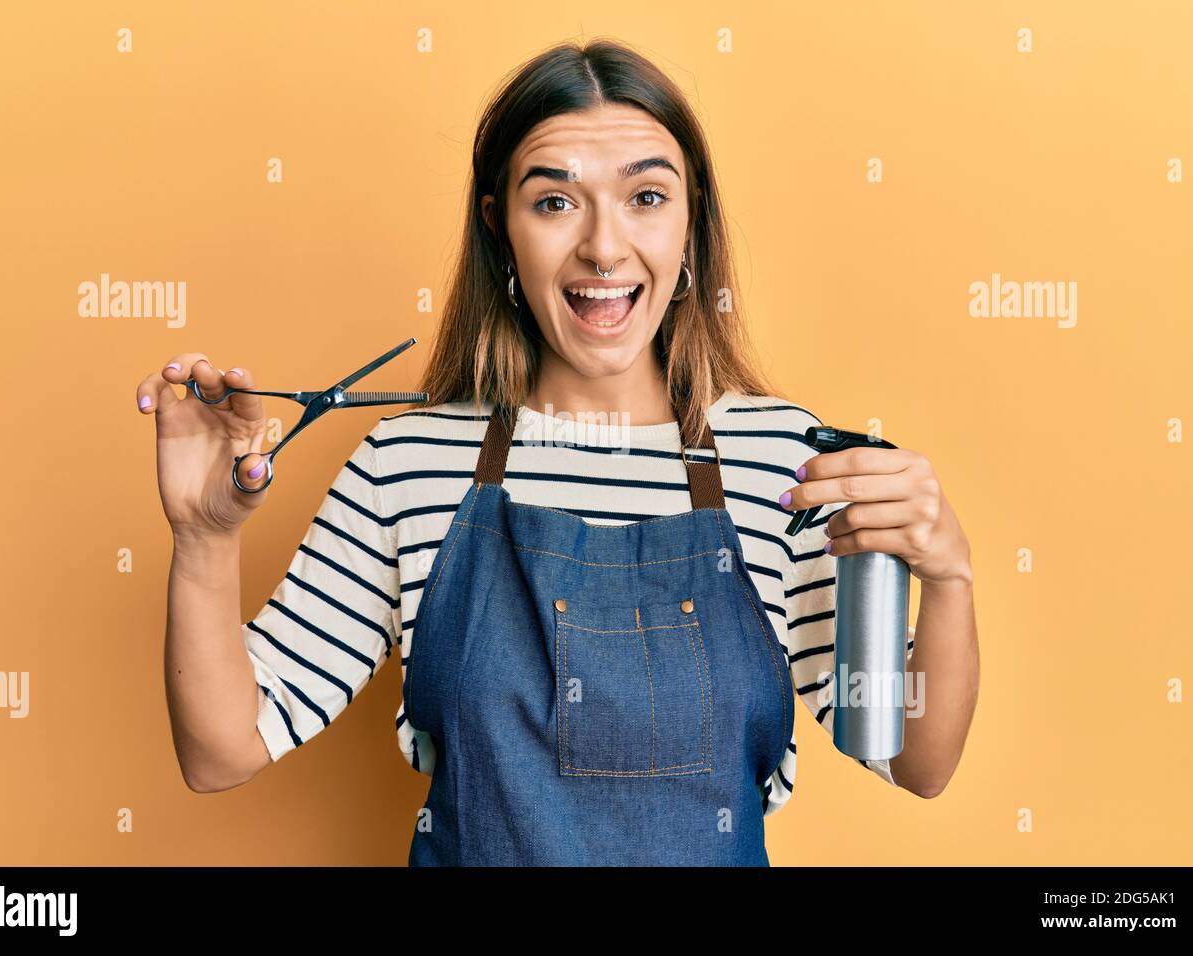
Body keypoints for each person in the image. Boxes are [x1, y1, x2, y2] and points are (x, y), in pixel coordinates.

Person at [136, 39, 978, 866]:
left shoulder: (784, 464)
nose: (605, 249)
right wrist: (206, 539)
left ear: (691, 224)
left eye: (647, 197)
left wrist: (947, 577)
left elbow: (917, 758)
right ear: (500, 226)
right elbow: (221, 751)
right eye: (555, 202)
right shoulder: (409, 464)